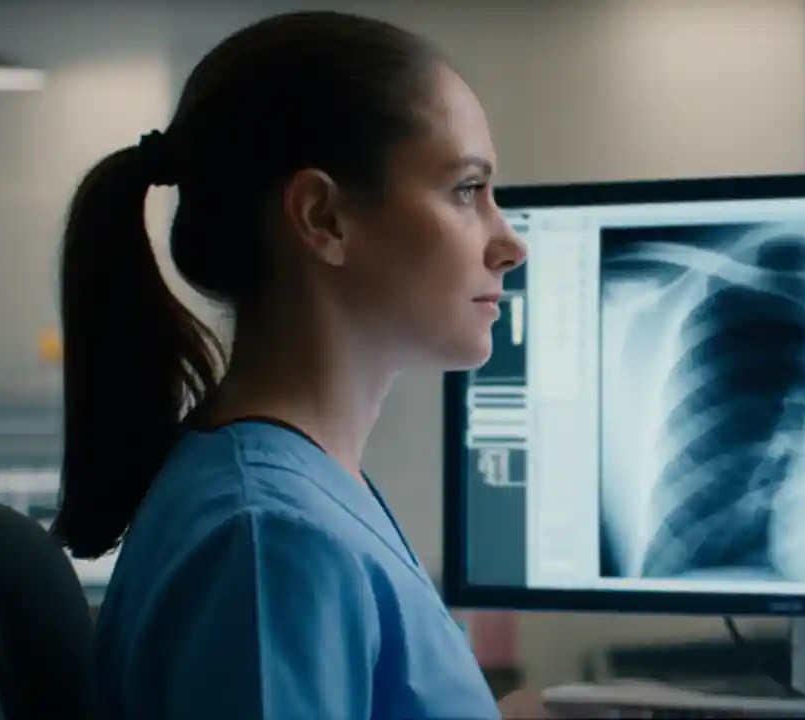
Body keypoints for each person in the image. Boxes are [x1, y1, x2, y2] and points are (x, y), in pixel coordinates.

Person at [51, 10, 542, 719]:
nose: (509, 243)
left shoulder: (299, 493)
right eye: (467, 190)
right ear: (322, 218)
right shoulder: (270, 542)